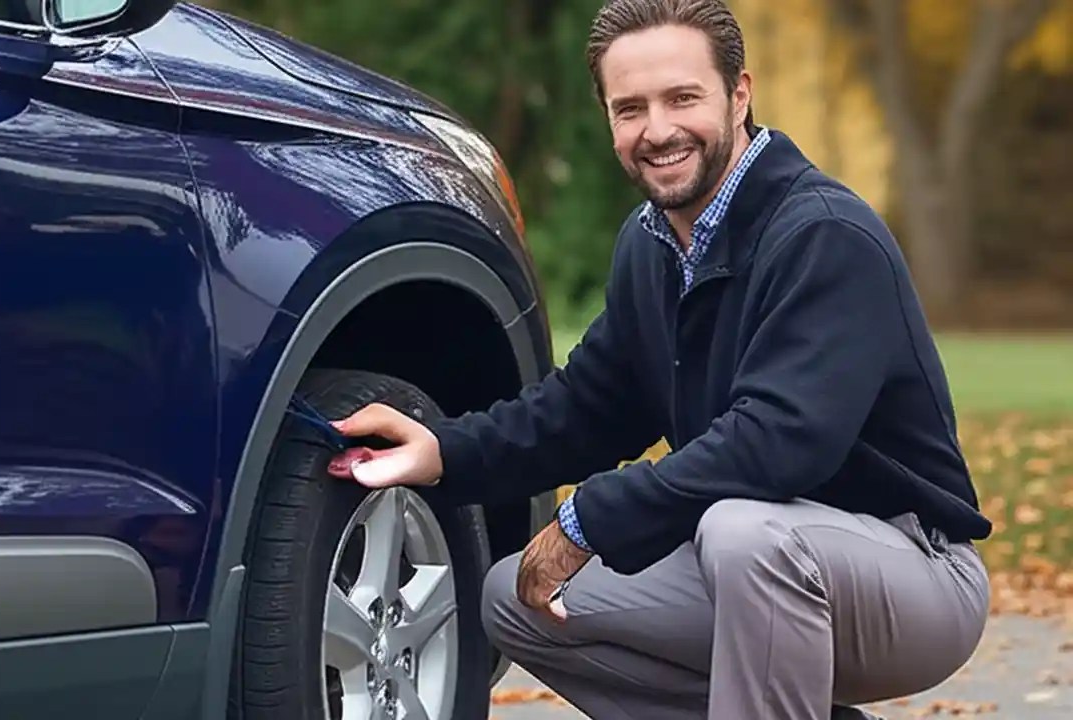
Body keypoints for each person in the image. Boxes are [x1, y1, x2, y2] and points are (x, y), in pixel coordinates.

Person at [325, 0, 993, 717]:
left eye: (683, 98)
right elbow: (584, 410)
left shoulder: (825, 237)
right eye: (630, 108)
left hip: (913, 576)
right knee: (514, 599)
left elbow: (777, 447)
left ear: (740, 94)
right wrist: (445, 451)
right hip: (744, 560)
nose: (658, 130)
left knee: (744, 532)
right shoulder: (650, 247)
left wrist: (587, 520)